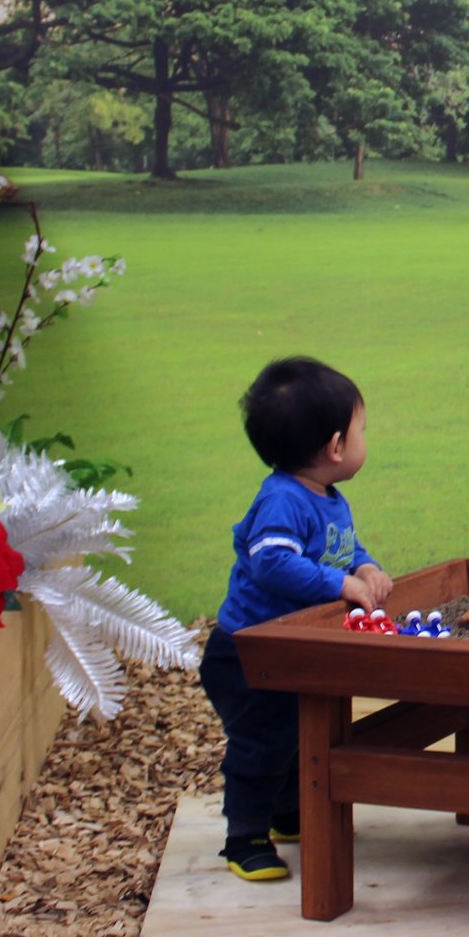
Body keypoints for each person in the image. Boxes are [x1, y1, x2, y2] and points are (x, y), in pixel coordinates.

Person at [201, 357, 393, 881]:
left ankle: (287, 814)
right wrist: (342, 585)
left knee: (294, 734)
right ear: (335, 447)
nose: (364, 440)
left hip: (288, 650)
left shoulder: (328, 498)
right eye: (362, 430)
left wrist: (365, 566)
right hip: (246, 652)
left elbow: (342, 548)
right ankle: (244, 837)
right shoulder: (282, 500)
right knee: (261, 742)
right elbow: (273, 562)